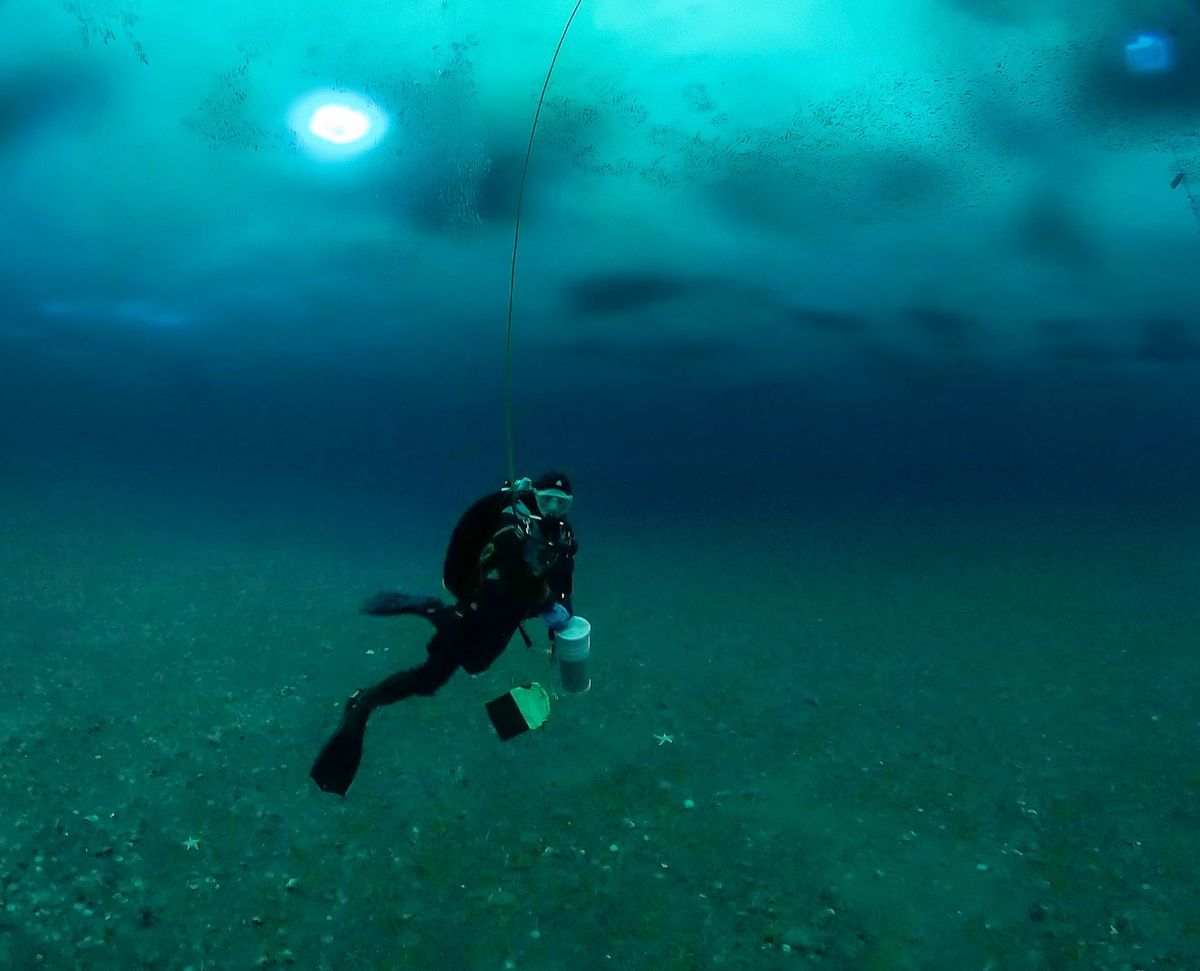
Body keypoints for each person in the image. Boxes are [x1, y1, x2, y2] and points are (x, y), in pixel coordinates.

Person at [310, 471, 578, 796]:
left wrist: (559, 632)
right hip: (476, 613)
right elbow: (480, 537)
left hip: (505, 622)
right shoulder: (511, 528)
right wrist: (504, 498)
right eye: (547, 498)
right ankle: (364, 701)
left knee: (477, 665)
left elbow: (563, 582)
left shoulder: (562, 538)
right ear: (533, 494)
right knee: (430, 678)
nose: (552, 508)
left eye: (561, 503)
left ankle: (436, 612)